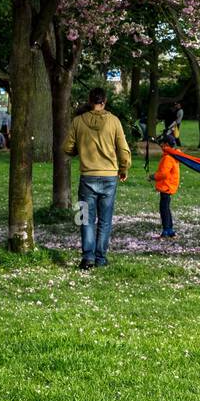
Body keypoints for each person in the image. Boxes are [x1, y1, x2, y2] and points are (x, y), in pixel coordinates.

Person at [63, 86, 131, 271]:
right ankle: (100, 257)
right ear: (105, 101)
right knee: (105, 220)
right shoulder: (114, 121)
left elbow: (67, 148)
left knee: (84, 217)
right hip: (109, 177)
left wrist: (80, 149)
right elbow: (123, 149)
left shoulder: (77, 122)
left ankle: (87, 258)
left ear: (89, 100)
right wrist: (123, 168)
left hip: (87, 177)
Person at [153, 135, 180, 238]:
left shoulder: (168, 158)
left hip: (166, 187)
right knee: (166, 208)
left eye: (163, 143)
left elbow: (163, 174)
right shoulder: (173, 156)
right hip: (168, 186)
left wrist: (153, 176)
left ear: (167, 145)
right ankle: (170, 229)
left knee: (164, 209)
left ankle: (167, 230)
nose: (161, 145)